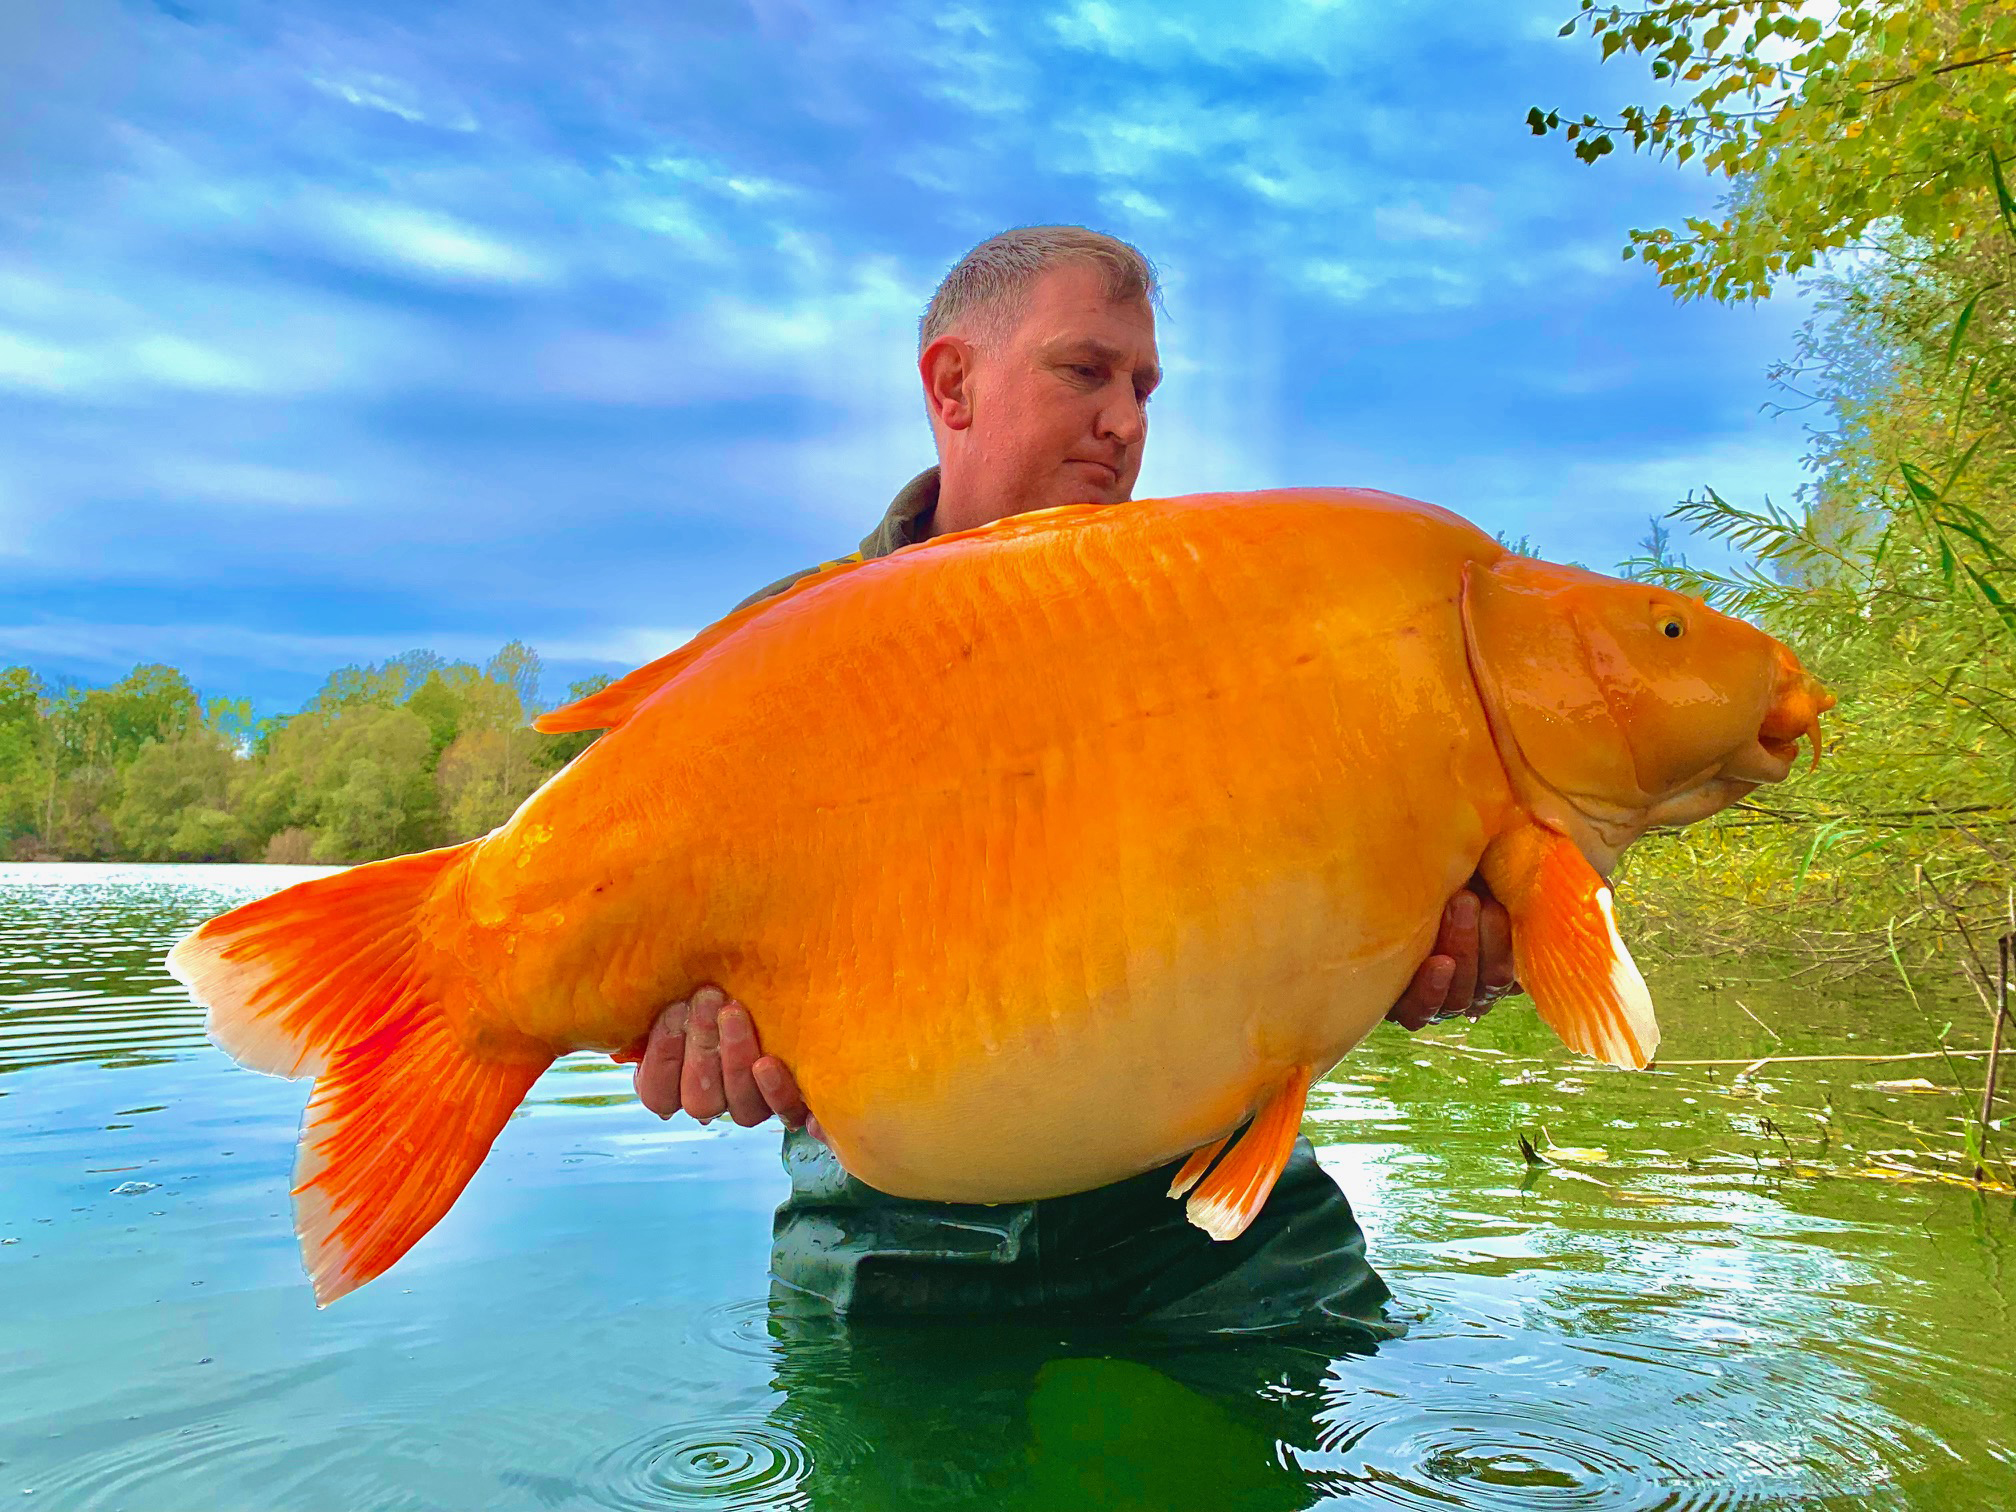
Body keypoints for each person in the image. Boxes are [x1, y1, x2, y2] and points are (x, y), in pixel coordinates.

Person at [631, 226, 1517, 1332]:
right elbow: (672, 961)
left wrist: (1473, 945)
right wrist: (690, 1044)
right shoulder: (773, 665)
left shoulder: (1234, 626)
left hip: (1223, 1240)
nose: (1128, 422)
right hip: (890, 1249)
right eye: (1085, 372)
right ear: (953, 385)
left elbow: (1373, 890)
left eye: (1145, 387)